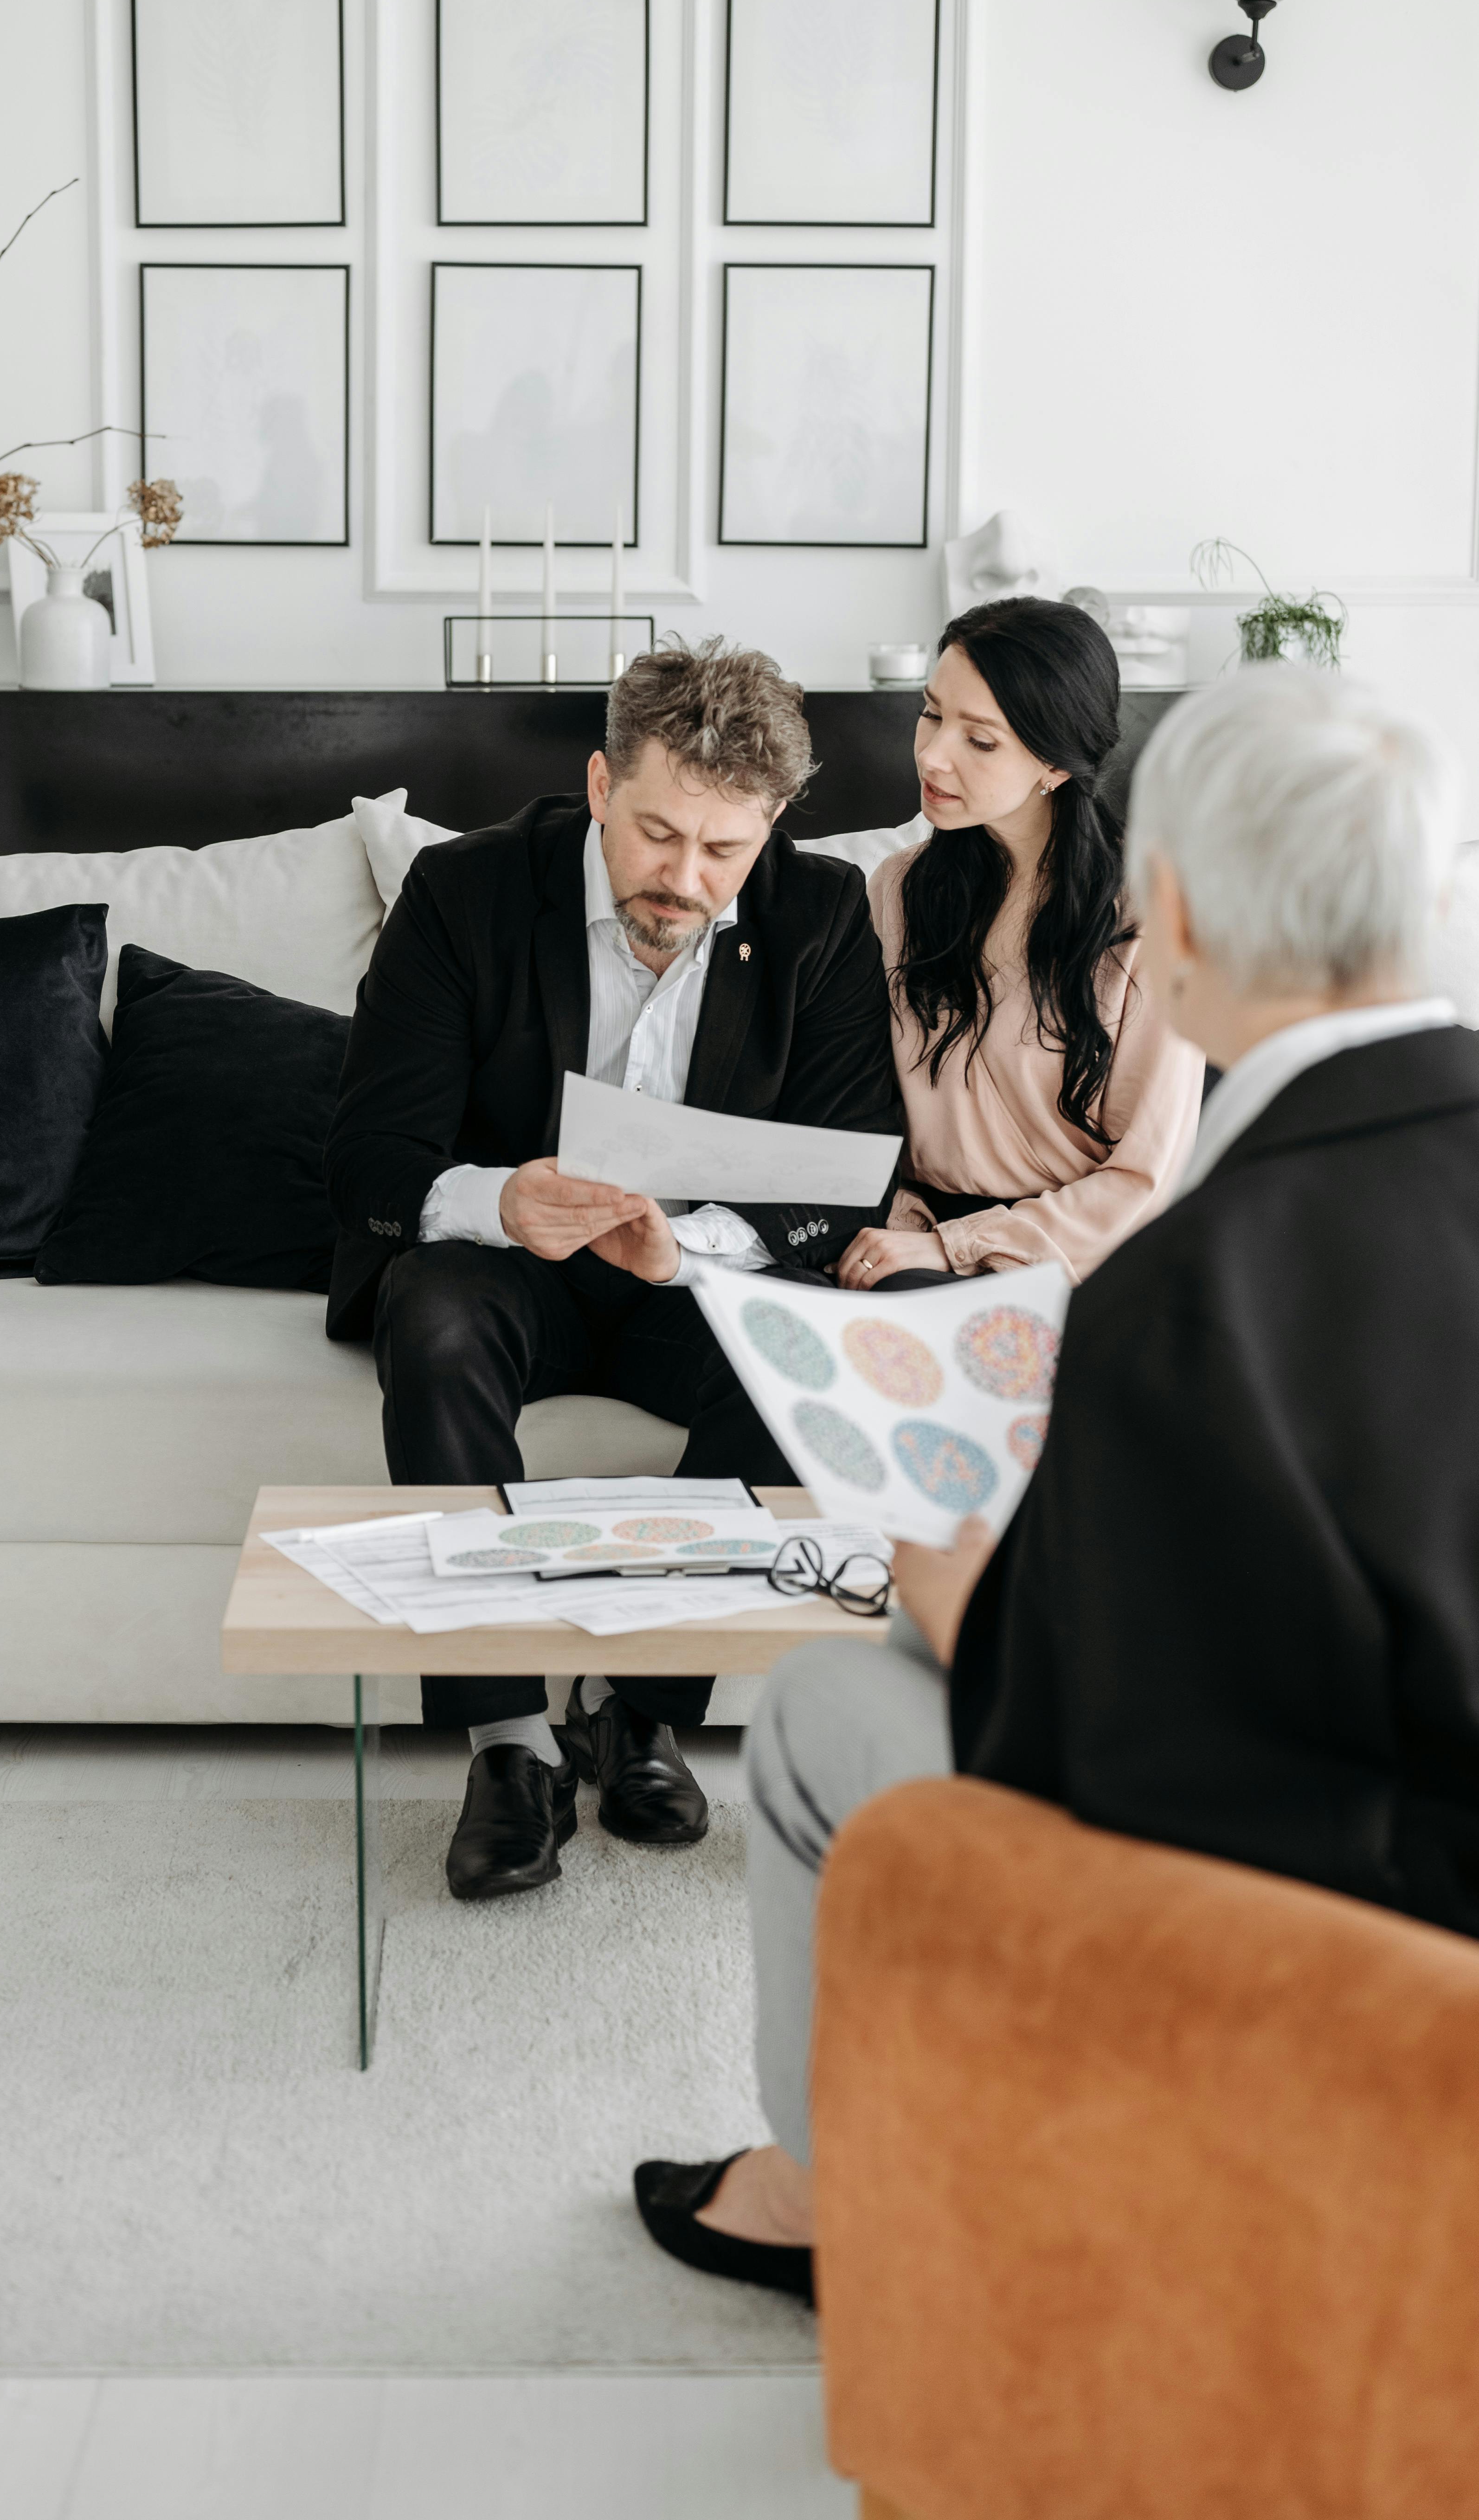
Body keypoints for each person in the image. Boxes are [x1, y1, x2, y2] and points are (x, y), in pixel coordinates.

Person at [631, 671, 1478, 2299]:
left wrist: (945, 1565)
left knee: (826, 1695)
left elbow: (1098, 1727)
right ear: (1432, 892)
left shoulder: (1191, 1284)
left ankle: (832, 2191)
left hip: (1354, 1931)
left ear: (1162, 904)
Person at [325, 642, 901, 1902]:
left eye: (722, 852)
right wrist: (499, 1199)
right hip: (503, 1268)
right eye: (655, 835)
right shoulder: (461, 891)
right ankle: (510, 1744)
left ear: (769, 832)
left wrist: (686, 1246)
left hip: (682, 1276)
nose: (683, 880)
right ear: (596, 784)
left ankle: (640, 1711)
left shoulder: (818, 914)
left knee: (806, 1347)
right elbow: (371, 1156)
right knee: (428, 1320)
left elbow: (845, 1166)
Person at [840, 594, 1203, 1296]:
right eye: (931, 713)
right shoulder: (896, 890)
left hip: (1068, 1258)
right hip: (900, 1242)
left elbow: (1142, 1182)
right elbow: (860, 1108)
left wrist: (961, 1247)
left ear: (1055, 765)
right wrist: (907, 1232)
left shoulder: (1148, 921)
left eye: (979, 740)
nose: (932, 756)